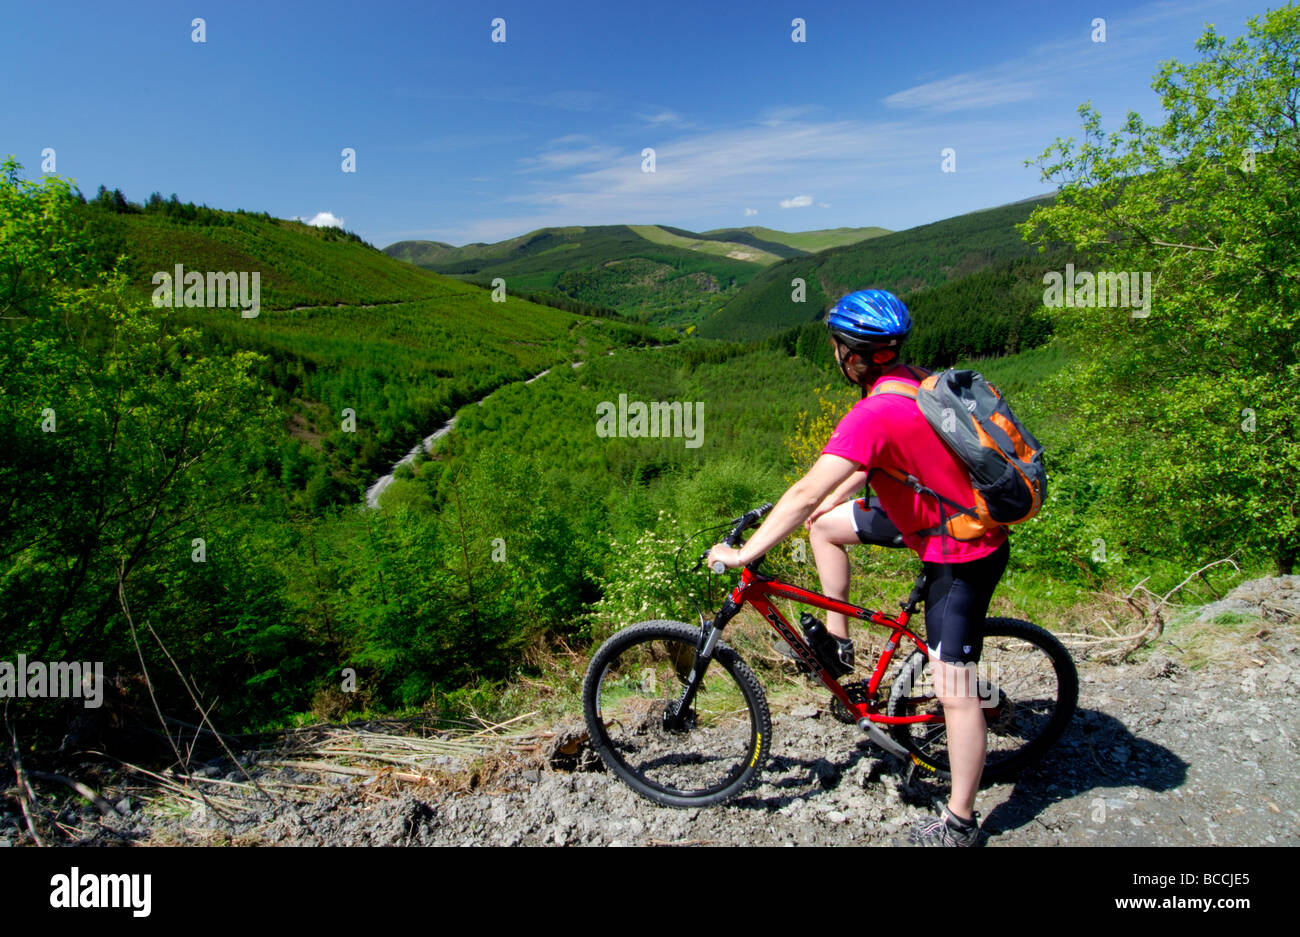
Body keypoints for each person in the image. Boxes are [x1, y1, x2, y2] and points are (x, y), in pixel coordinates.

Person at [705, 288, 1009, 847]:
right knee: (824, 524)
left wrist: (746, 554)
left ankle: (961, 823)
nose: (834, 354)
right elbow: (854, 474)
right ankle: (839, 646)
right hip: (931, 516)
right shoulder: (912, 380)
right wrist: (815, 509)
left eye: (836, 347)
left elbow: (802, 490)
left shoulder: (875, 410)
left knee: (955, 691)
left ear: (852, 354)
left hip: (962, 553)